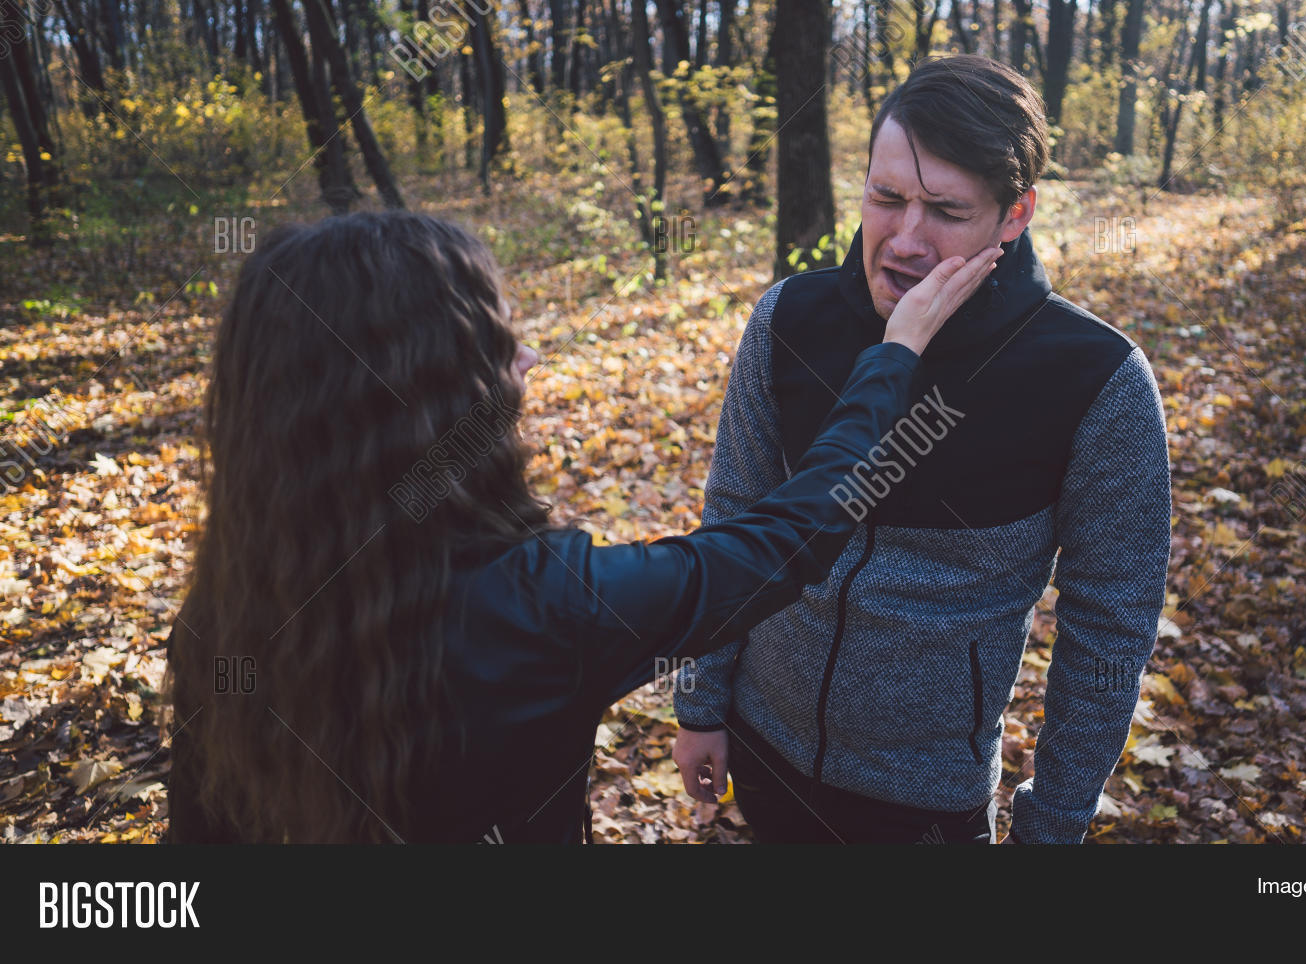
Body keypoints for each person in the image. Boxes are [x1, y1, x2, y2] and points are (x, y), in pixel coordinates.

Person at [164, 210, 998, 843]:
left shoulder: (222, 617)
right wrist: (893, 358)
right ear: (426, 399)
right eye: (495, 344)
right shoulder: (541, 609)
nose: (527, 362)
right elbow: (779, 545)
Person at [671, 55, 1172, 844]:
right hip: (760, 750)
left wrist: (1054, 825)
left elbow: (1109, 628)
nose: (905, 238)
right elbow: (733, 514)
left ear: (1015, 214)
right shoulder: (788, 321)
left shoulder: (1096, 379)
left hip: (926, 800)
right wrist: (702, 704)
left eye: (945, 209)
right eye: (886, 197)